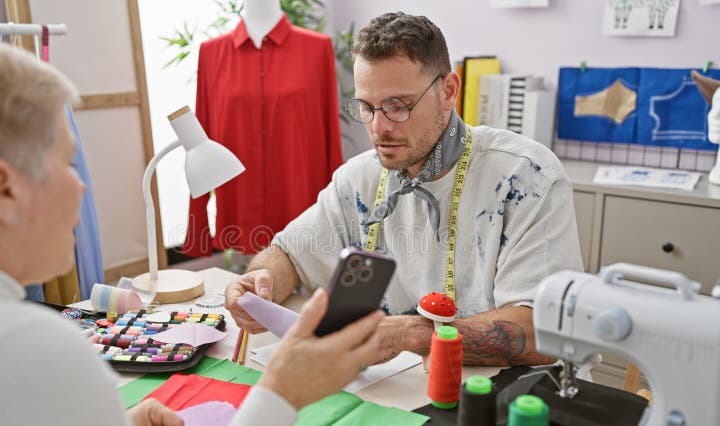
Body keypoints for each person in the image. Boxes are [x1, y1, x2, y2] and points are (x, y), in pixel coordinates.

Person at [0, 33, 383, 426]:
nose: (80, 187)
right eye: (67, 164)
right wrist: (282, 392)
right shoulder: (26, 348)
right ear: (3, 188)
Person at [225, 12, 583, 367]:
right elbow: (289, 254)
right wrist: (262, 281)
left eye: (399, 106)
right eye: (366, 107)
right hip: (406, 386)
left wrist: (412, 334)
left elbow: (541, 333)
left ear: (448, 92)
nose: (379, 127)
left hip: (512, 395)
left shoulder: (527, 177)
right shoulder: (359, 178)